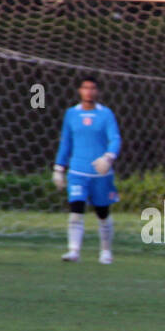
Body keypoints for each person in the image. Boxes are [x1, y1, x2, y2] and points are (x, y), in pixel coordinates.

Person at [54, 77, 121, 264]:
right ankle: (73, 251)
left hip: (100, 173)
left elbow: (115, 139)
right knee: (76, 210)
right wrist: (59, 168)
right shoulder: (71, 114)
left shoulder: (106, 114)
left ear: (97, 92)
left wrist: (108, 157)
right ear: (79, 91)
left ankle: (106, 251)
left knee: (102, 213)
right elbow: (66, 142)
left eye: (92, 88)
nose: (89, 92)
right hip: (77, 172)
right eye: (85, 88)